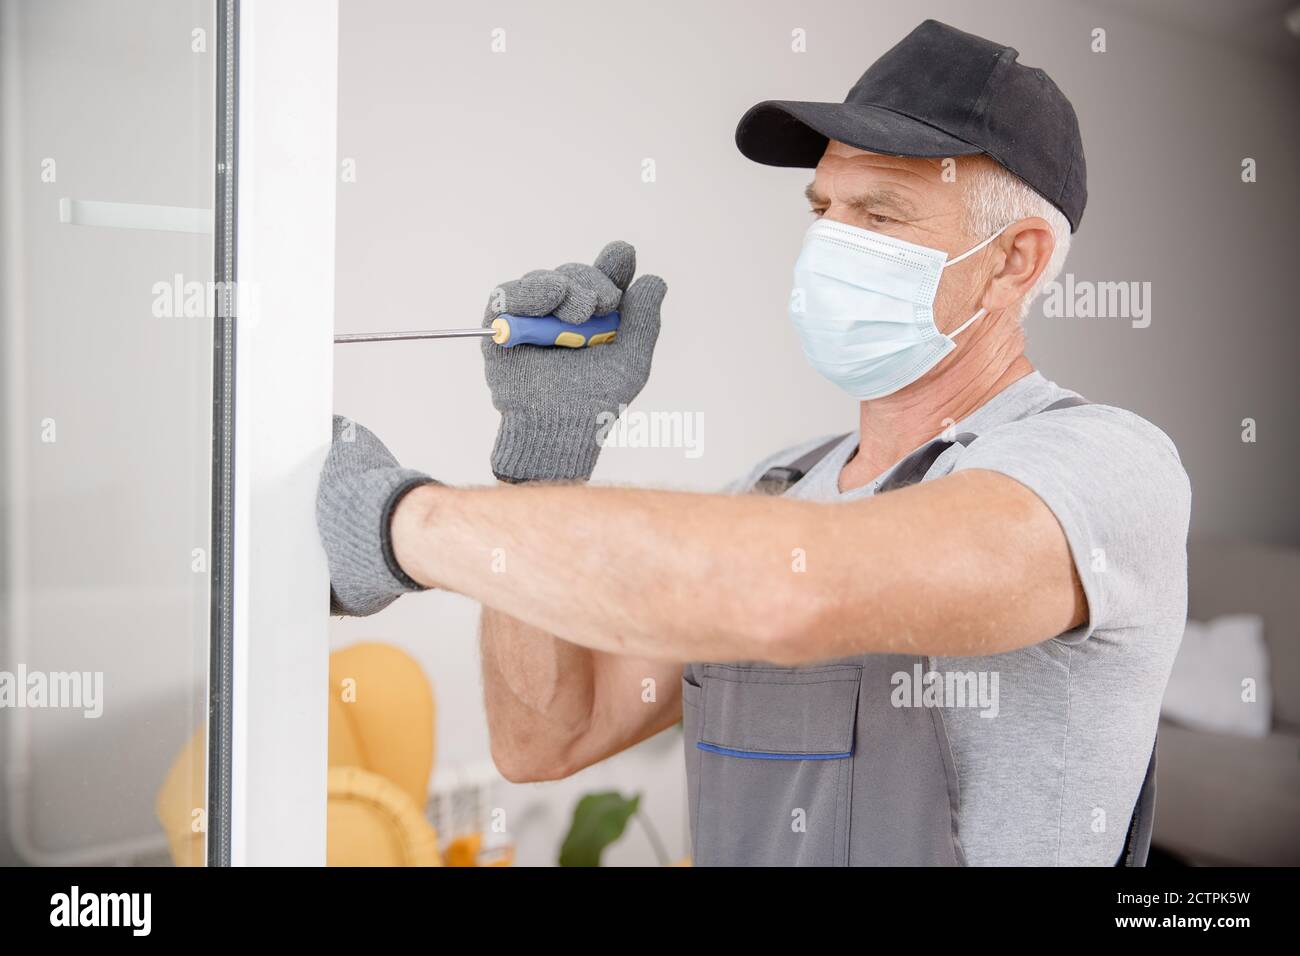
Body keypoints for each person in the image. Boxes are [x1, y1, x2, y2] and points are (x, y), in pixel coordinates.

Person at [317, 20, 1189, 866]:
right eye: (824, 209)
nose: (830, 244)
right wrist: (544, 464)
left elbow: (794, 593)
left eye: (879, 216)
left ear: (1014, 261)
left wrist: (405, 525)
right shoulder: (778, 489)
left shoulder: (1104, 467)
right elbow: (545, 737)